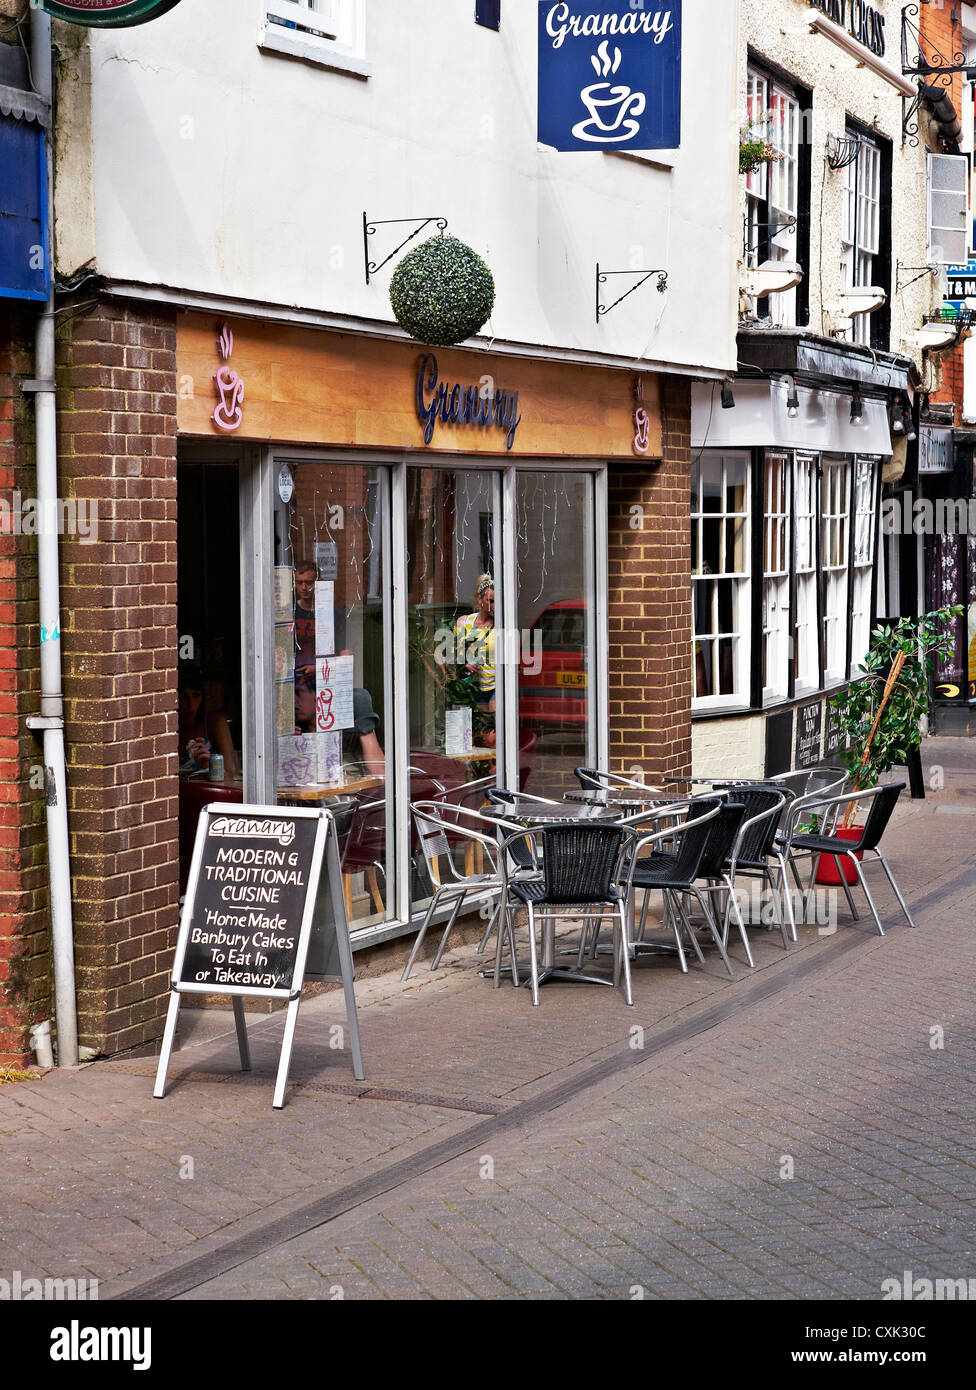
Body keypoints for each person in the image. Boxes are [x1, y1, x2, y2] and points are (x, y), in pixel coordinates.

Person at [293, 668, 385, 775]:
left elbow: (378, 771)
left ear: (321, 695)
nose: (294, 701)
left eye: (298, 693)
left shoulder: (349, 730)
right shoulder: (295, 730)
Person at [178, 661, 237, 776]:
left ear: (203, 697)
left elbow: (230, 774)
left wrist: (208, 766)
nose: (190, 704)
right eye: (184, 696)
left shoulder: (214, 722)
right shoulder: (167, 726)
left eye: (196, 695)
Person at [454, 574, 496, 713]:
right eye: (490, 601)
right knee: (478, 733)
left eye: (497, 601)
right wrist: (465, 664)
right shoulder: (463, 623)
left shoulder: (501, 625)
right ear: (480, 599)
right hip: (473, 687)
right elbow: (452, 655)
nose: (494, 606)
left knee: (493, 734)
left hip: (497, 687)